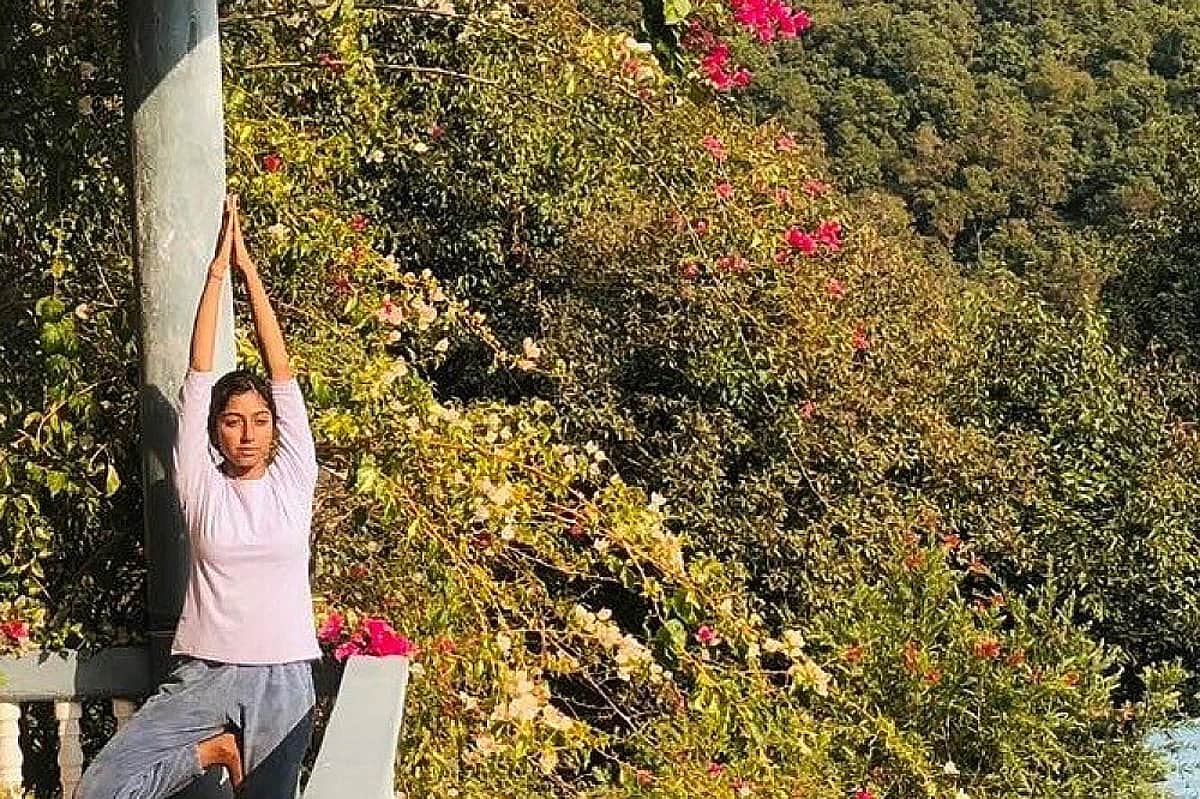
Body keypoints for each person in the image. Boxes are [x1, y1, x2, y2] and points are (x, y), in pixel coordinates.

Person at [76, 195, 321, 798]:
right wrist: (216, 274)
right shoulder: (199, 482)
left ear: (275, 427)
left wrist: (250, 274)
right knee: (100, 789)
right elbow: (199, 373)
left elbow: (282, 373)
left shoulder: (294, 478)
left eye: (260, 421)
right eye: (234, 422)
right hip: (203, 673)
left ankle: (223, 752)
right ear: (214, 429)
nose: (248, 433)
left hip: (284, 679)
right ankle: (208, 750)